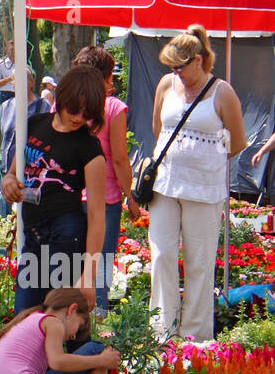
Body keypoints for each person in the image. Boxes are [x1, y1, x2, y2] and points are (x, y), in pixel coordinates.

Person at [147, 24, 247, 342]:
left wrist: (205, 157)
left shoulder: (222, 91)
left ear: (199, 60)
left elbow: (238, 141)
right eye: (171, 66)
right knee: (161, 255)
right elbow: (156, 127)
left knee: (199, 262)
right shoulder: (166, 84)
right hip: (164, 185)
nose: (175, 72)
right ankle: (162, 332)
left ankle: (194, 337)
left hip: (204, 189)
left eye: (180, 66)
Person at [0, 66, 107, 314]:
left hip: (67, 233)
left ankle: (81, 353)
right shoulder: (34, 123)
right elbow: (14, 173)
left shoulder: (90, 147)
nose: (79, 117)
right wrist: (8, 180)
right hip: (34, 232)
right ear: (62, 98)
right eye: (74, 109)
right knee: (24, 316)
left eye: (88, 113)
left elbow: (96, 216)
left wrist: (89, 276)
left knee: (64, 319)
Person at [74, 45, 138, 318]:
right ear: (102, 77)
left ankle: (72, 317)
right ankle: (97, 318)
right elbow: (121, 160)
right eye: (110, 75)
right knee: (100, 261)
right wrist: (132, 198)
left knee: (73, 261)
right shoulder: (112, 107)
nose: (112, 81)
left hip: (71, 195)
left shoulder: (63, 105)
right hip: (106, 198)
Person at [0, 287, 120, 374]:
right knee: (96, 350)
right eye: (78, 327)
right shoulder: (53, 322)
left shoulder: (29, 319)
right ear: (71, 310)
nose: (73, 336)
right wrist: (102, 360)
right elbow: (57, 362)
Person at [0, 70, 47, 189]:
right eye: (15, 80)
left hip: (32, 171)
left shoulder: (43, 106)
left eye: (23, 79)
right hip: (6, 168)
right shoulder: (6, 106)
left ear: (32, 82)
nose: (18, 83)